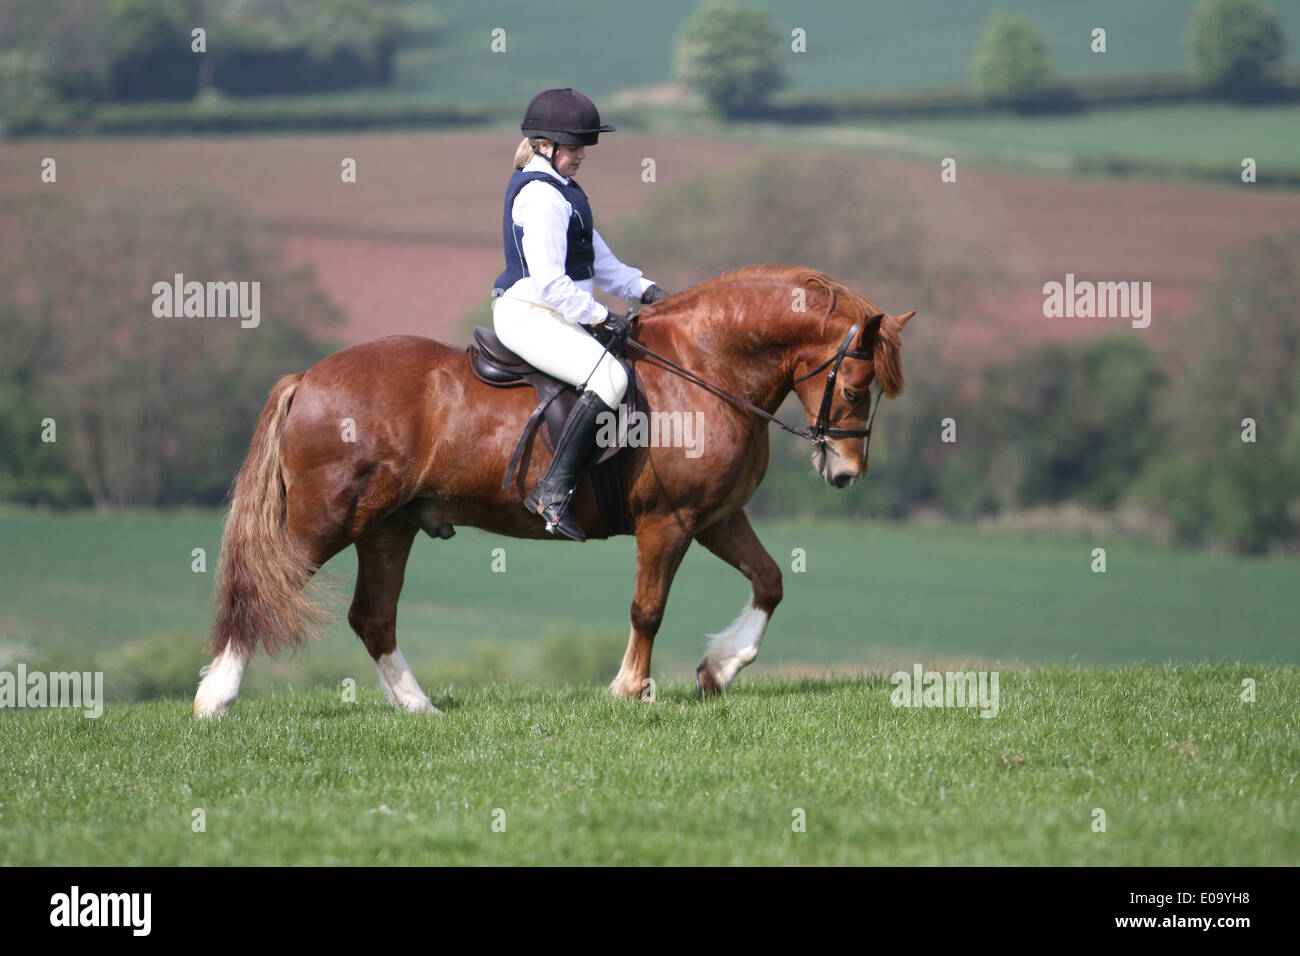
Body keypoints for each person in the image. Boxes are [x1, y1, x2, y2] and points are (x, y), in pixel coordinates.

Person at [492, 87, 668, 542]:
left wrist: (645, 288)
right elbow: (551, 282)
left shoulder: (564, 190)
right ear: (545, 147)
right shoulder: (543, 197)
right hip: (532, 313)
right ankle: (552, 491)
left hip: (555, 311)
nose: (582, 155)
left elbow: (597, 261)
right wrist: (599, 317)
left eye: (584, 147)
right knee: (610, 379)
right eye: (575, 148)